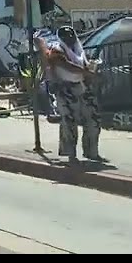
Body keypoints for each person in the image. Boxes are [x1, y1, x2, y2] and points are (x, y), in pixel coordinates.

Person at [39, 26, 105, 163]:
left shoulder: (79, 51)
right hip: (65, 89)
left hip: (82, 87)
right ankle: (71, 154)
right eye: (65, 36)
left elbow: (84, 66)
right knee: (69, 122)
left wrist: (91, 71)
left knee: (94, 119)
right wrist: (85, 72)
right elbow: (65, 65)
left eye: (71, 35)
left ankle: (91, 152)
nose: (69, 39)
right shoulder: (57, 49)